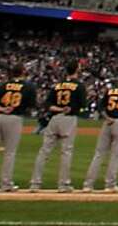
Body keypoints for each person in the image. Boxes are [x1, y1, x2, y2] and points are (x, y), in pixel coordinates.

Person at [0, 64, 38, 192]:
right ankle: (6, 183)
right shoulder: (28, 86)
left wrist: (3, 109)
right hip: (14, 118)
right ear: (23, 72)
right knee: (9, 152)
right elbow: (32, 106)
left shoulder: (2, 85)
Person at [30, 58, 87, 191]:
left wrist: (59, 109)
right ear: (77, 70)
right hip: (69, 119)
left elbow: (47, 104)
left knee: (44, 151)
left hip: (54, 118)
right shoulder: (79, 85)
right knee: (66, 152)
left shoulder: (57, 85)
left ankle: (35, 183)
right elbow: (83, 106)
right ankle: (63, 184)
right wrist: (68, 109)